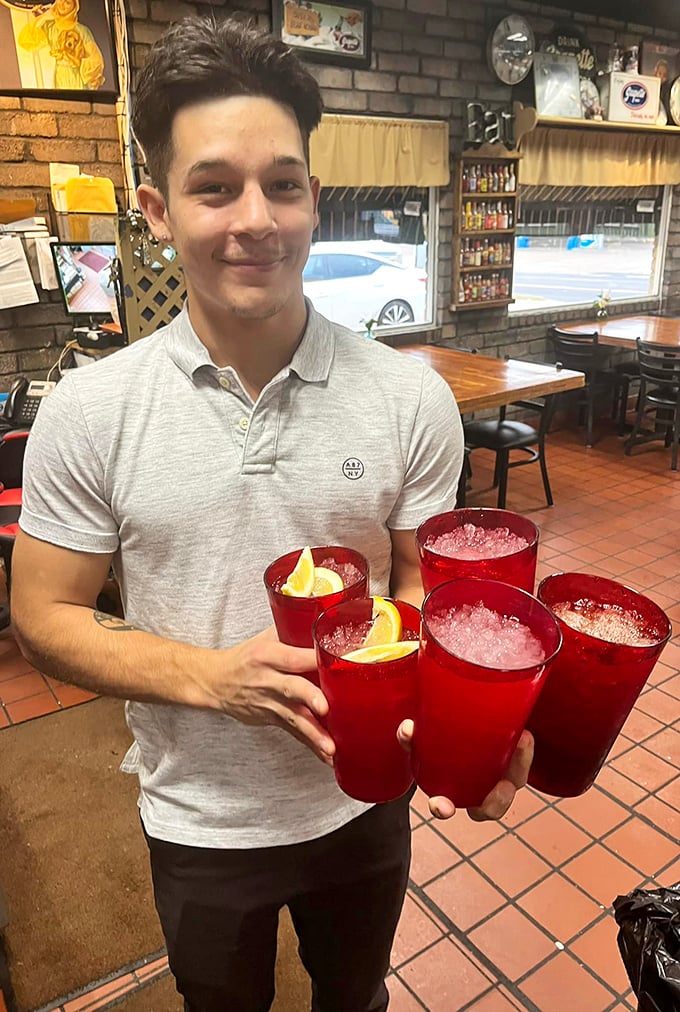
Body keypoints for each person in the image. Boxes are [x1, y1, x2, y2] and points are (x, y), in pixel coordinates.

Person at [11, 15, 534, 1012]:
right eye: (214, 187)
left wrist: (475, 715)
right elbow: (45, 615)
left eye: (281, 184)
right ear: (157, 211)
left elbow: (423, 583)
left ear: (313, 199)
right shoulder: (90, 411)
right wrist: (218, 680)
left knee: (356, 999)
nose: (255, 217)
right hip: (198, 818)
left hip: (364, 797)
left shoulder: (405, 397)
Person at [18, 0, 105, 91]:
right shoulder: (50, 27)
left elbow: (96, 61)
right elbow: (26, 41)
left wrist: (75, 61)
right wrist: (44, 17)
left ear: (74, 7)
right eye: (60, 0)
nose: (62, 5)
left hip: (76, 77)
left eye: (67, 3)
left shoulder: (82, 31)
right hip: (59, 75)